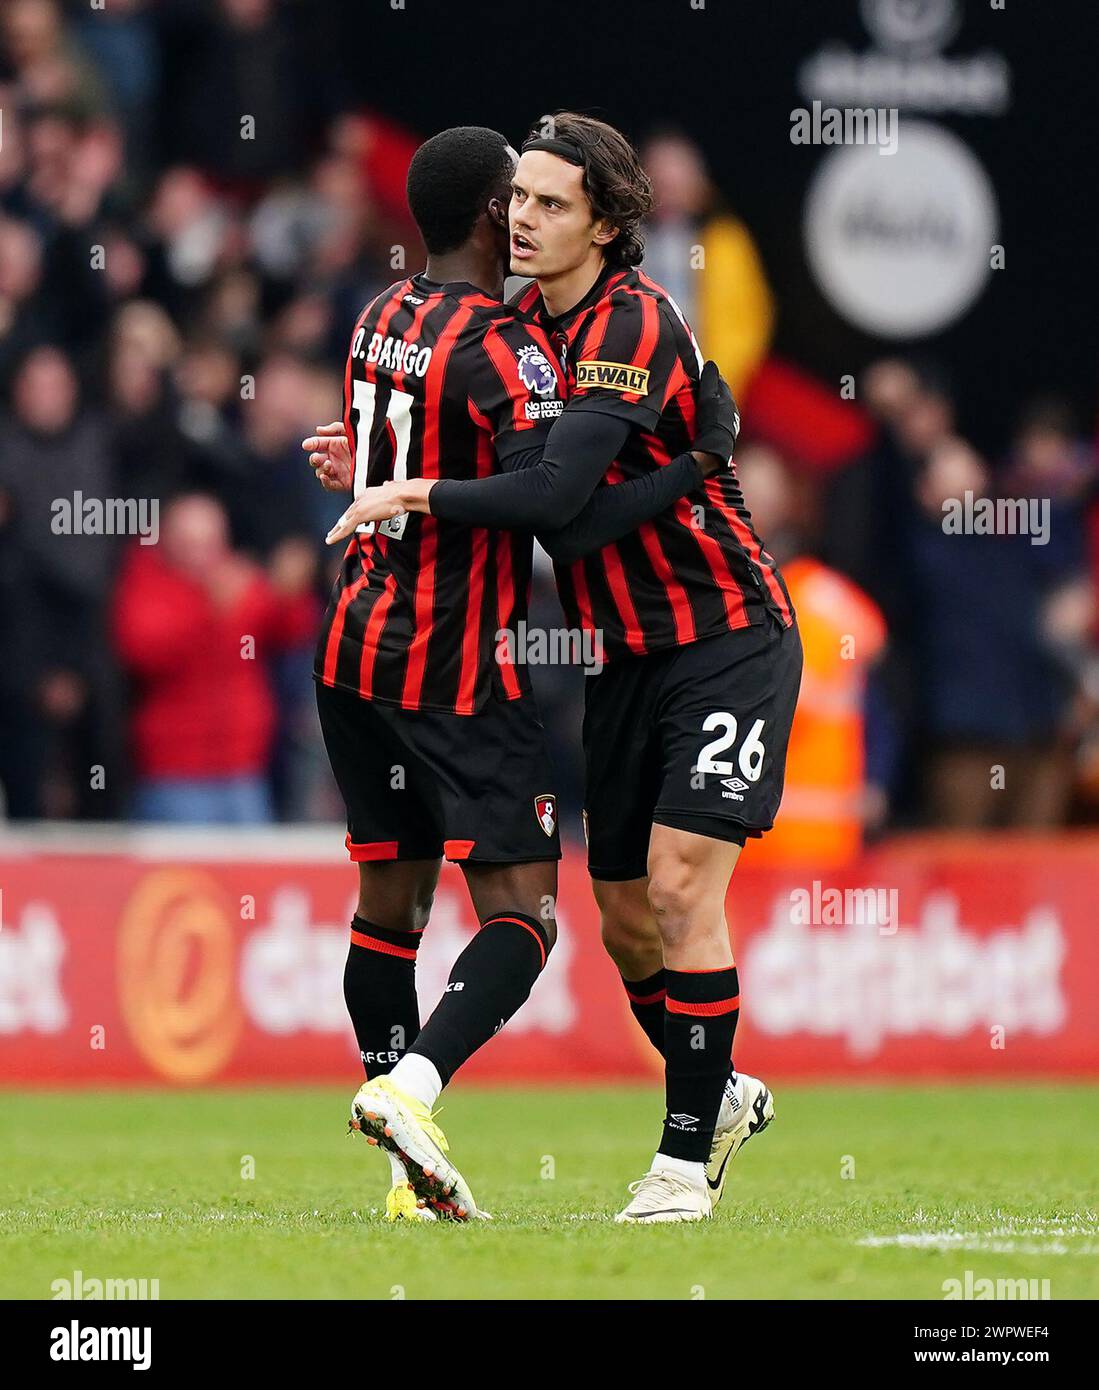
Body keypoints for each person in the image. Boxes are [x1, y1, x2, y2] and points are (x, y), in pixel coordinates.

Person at [331, 113, 799, 1224]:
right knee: (626, 919)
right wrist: (380, 458)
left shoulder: (627, 322)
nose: (524, 220)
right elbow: (518, 475)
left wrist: (414, 491)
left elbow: (563, 520)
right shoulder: (514, 320)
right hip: (622, 654)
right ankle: (717, 1090)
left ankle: (683, 1166)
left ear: (606, 220)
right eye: (519, 200)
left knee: (683, 888)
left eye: (549, 203)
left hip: (724, 634)